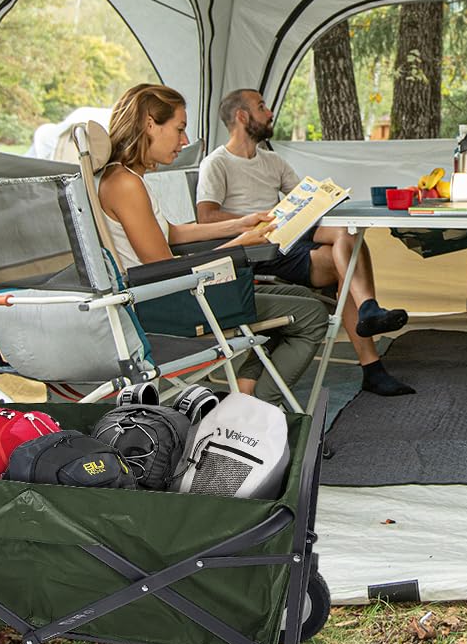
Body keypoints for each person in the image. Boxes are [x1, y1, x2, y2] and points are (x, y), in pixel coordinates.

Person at [98, 83, 327, 407]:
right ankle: (256, 411)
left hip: (168, 296)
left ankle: (247, 388)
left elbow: (170, 233)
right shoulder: (125, 184)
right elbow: (164, 269)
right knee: (313, 315)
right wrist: (238, 245)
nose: (185, 141)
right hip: (166, 305)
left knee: (299, 297)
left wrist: (238, 224)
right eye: (178, 128)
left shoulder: (126, 178)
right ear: (150, 123)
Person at [195, 88, 415, 397]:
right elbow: (206, 217)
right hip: (255, 250)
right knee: (346, 262)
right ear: (241, 116)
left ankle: (368, 313)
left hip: (288, 240)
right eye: (261, 107)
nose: (270, 112)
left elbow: (302, 201)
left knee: (347, 239)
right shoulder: (216, 164)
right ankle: (372, 362)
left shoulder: (273, 161)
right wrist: (258, 219)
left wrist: (323, 198)